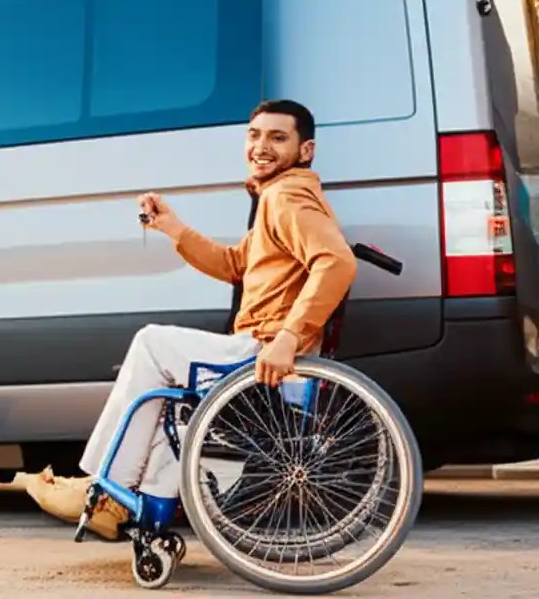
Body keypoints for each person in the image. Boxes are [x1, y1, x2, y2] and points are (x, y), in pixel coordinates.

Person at [26, 99, 358, 540]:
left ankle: (104, 490)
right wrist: (173, 228)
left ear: (306, 150)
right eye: (254, 135)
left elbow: (337, 262)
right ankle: (143, 512)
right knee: (170, 401)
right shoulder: (278, 198)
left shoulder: (286, 197)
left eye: (278, 138)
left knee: (151, 344)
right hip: (261, 347)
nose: (261, 146)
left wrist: (288, 337)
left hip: (263, 350)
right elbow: (235, 263)